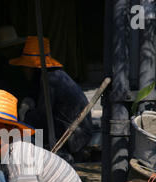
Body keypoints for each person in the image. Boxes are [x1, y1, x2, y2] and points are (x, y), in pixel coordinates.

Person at [9, 36, 93, 164]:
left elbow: (43, 114)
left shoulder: (49, 79)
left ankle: (58, 155)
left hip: (75, 136)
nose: (24, 70)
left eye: (28, 66)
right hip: (76, 133)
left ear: (36, 67)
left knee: (31, 117)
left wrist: (25, 113)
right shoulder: (54, 75)